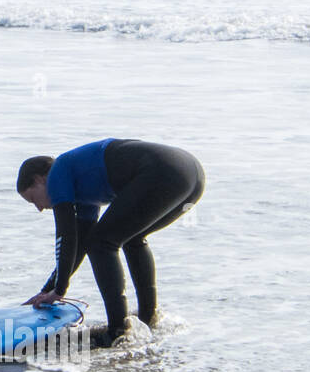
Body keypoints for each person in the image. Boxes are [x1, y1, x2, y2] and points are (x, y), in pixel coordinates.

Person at [17, 139, 205, 346]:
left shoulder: (58, 172)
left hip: (164, 171)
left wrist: (59, 290)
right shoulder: (82, 187)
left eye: (34, 199)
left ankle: (118, 331)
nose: (39, 208)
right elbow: (80, 244)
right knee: (130, 238)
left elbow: (66, 235)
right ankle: (148, 319)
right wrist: (48, 290)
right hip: (190, 177)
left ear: (39, 179)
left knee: (102, 243)